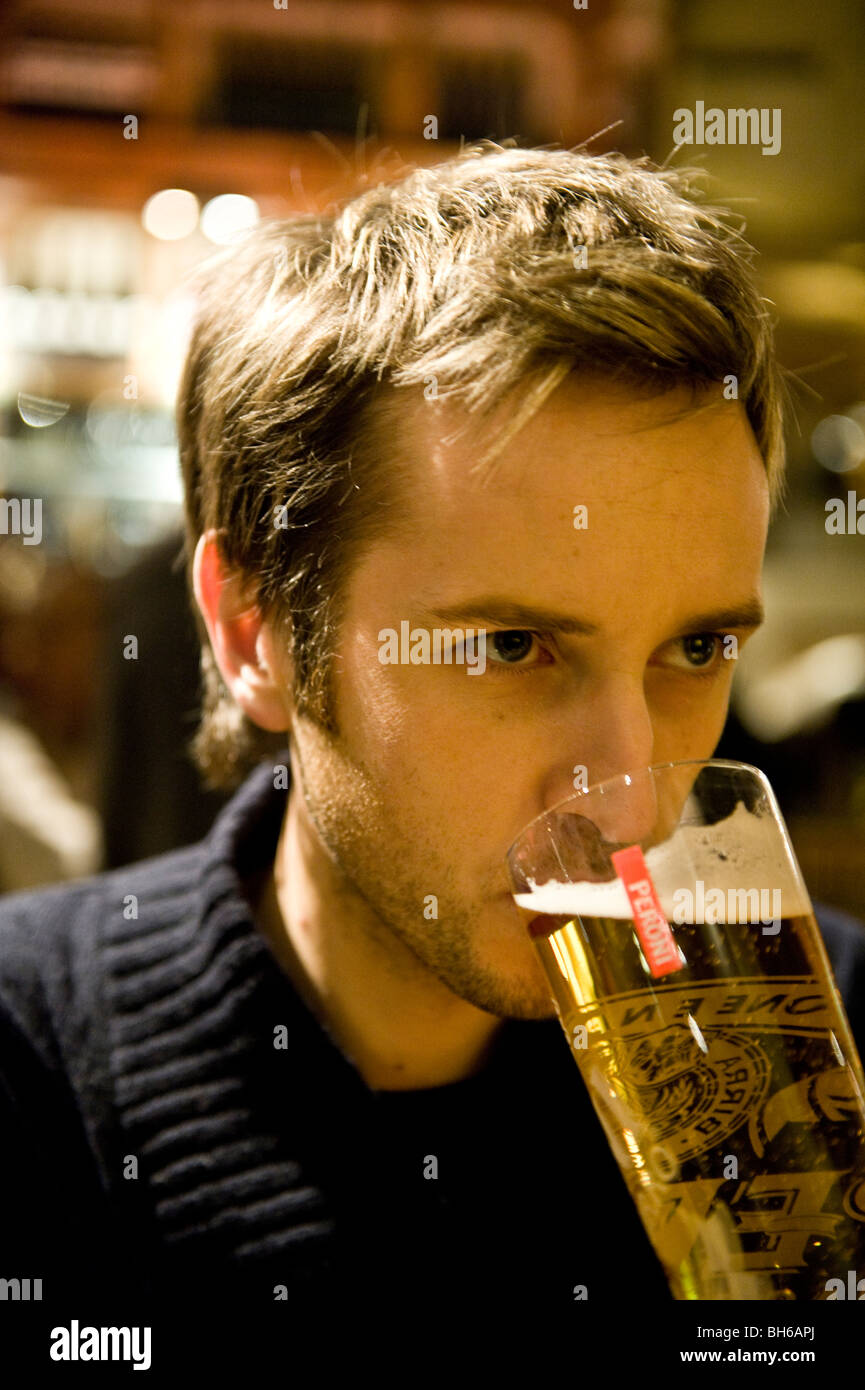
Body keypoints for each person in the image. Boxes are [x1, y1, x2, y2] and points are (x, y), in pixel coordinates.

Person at [1, 142, 864, 1357]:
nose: (625, 797)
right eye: (514, 646)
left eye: (698, 645)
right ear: (256, 631)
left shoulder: (818, 1037)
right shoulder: (31, 1065)